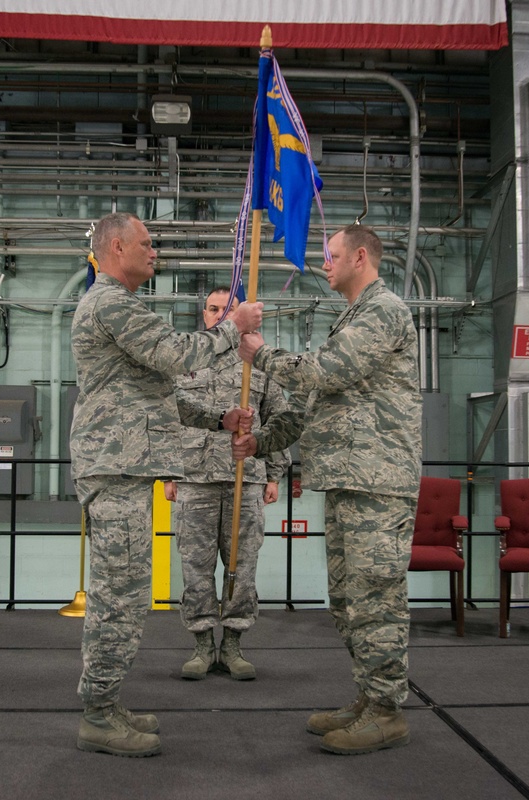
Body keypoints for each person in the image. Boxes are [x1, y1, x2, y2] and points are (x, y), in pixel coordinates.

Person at [70, 211, 262, 758]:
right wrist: (236, 325)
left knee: (125, 593)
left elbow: (156, 392)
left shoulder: (116, 304)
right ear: (115, 248)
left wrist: (215, 418)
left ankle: (107, 703)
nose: (155, 253)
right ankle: (98, 714)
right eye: (147, 244)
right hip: (117, 468)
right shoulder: (109, 303)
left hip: (124, 467)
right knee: (120, 598)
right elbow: (176, 355)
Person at [232, 223, 422, 755]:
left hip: (377, 482)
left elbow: (330, 372)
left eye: (332, 254)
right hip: (347, 480)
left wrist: (262, 356)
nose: (325, 263)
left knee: (377, 597)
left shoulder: (384, 311)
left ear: (361, 257)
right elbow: (316, 407)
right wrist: (263, 441)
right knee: (347, 599)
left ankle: (387, 711)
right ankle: (369, 695)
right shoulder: (351, 318)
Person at [164, 287, 291, 681]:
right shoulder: (183, 361)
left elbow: (279, 419)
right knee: (195, 568)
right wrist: (169, 472)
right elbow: (168, 419)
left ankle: (233, 646)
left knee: (243, 567)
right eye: (214, 309)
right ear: (204, 315)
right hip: (195, 480)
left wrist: (274, 473)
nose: (221, 316)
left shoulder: (258, 362)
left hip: (246, 479)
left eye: (229, 310)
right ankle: (202, 645)